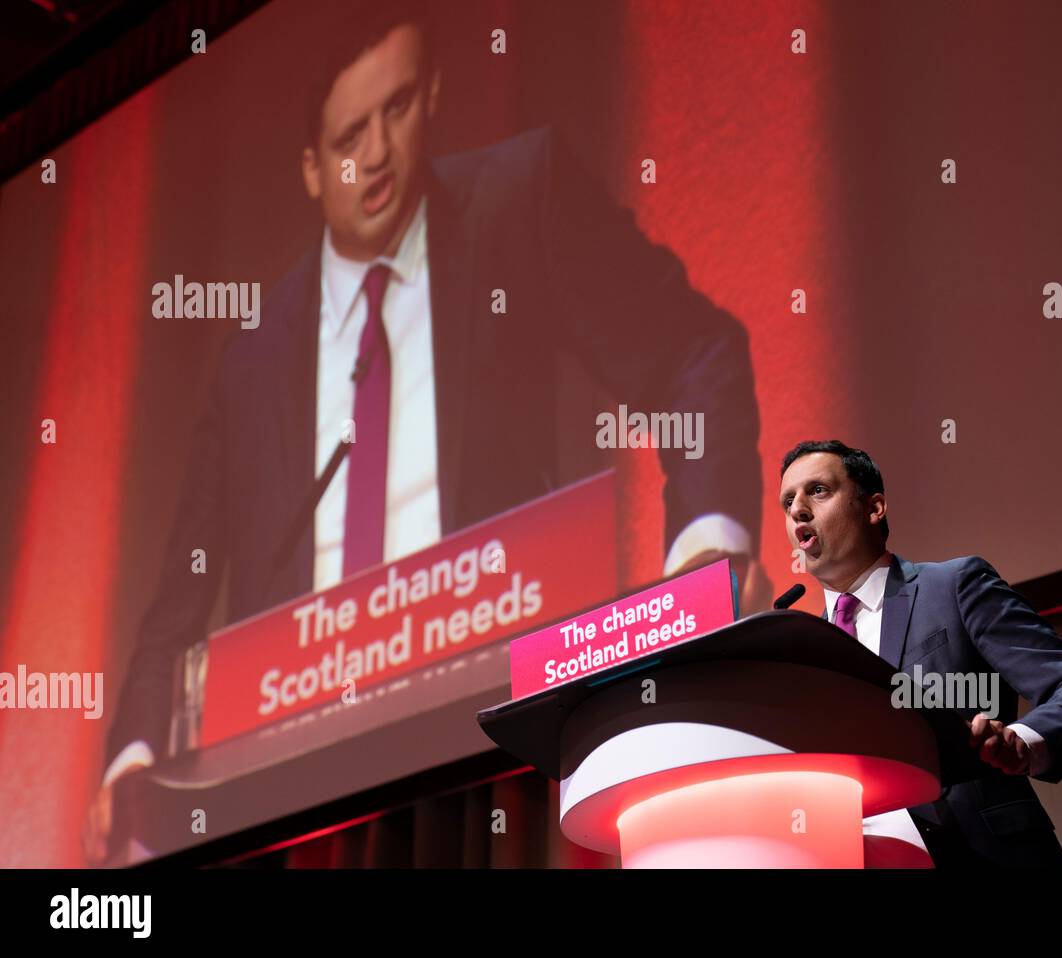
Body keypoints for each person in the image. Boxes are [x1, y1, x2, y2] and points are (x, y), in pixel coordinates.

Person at [83, 2, 766, 864]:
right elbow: (176, 610)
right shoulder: (250, 358)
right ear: (308, 169)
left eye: (396, 111)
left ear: (433, 98)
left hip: (488, 762)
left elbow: (689, 353)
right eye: (347, 136)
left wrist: (706, 549)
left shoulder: (517, 201)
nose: (373, 157)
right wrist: (135, 760)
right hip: (287, 800)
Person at [778, 439, 1062, 867]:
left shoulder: (954, 587)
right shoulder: (805, 653)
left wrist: (1021, 743)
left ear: (874, 507)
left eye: (818, 490)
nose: (797, 509)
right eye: (788, 501)